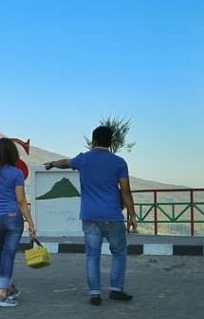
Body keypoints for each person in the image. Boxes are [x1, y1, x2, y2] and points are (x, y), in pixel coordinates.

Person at [45, 125, 137, 306]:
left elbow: (64, 163)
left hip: (89, 216)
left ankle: (94, 293)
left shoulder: (83, 159)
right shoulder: (119, 162)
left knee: (92, 255)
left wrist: (51, 164)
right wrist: (132, 215)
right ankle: (116, 290)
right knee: (118, 253)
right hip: (112, 216)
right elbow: (125, 191)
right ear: (111, 143)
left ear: (93, 141)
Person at [0, 138, 37, 308]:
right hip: (12, 218)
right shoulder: (16, 173)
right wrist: (30, 222)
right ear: (13, 153)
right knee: (8, 255)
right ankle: (2, 295)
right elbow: (21, 200)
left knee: (3, 254)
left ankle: (9, 286)